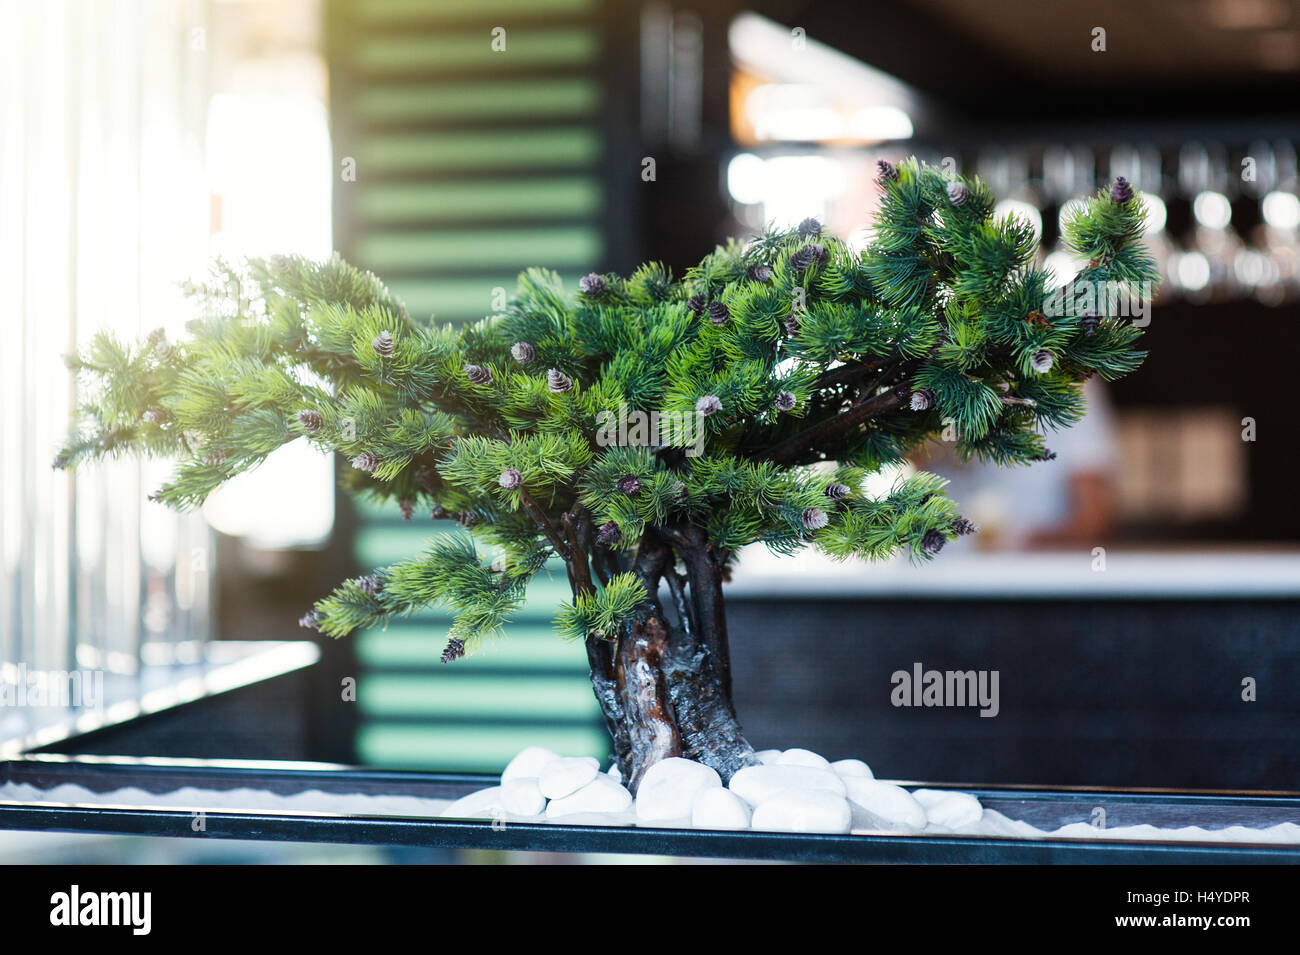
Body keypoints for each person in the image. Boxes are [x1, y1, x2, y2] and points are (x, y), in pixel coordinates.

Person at [915, 378, 1119, 551]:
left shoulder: (1068, 382)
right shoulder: (934, 379)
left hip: (1024, 581)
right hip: (932, 576)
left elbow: (1093, 515)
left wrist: (1029, 547)